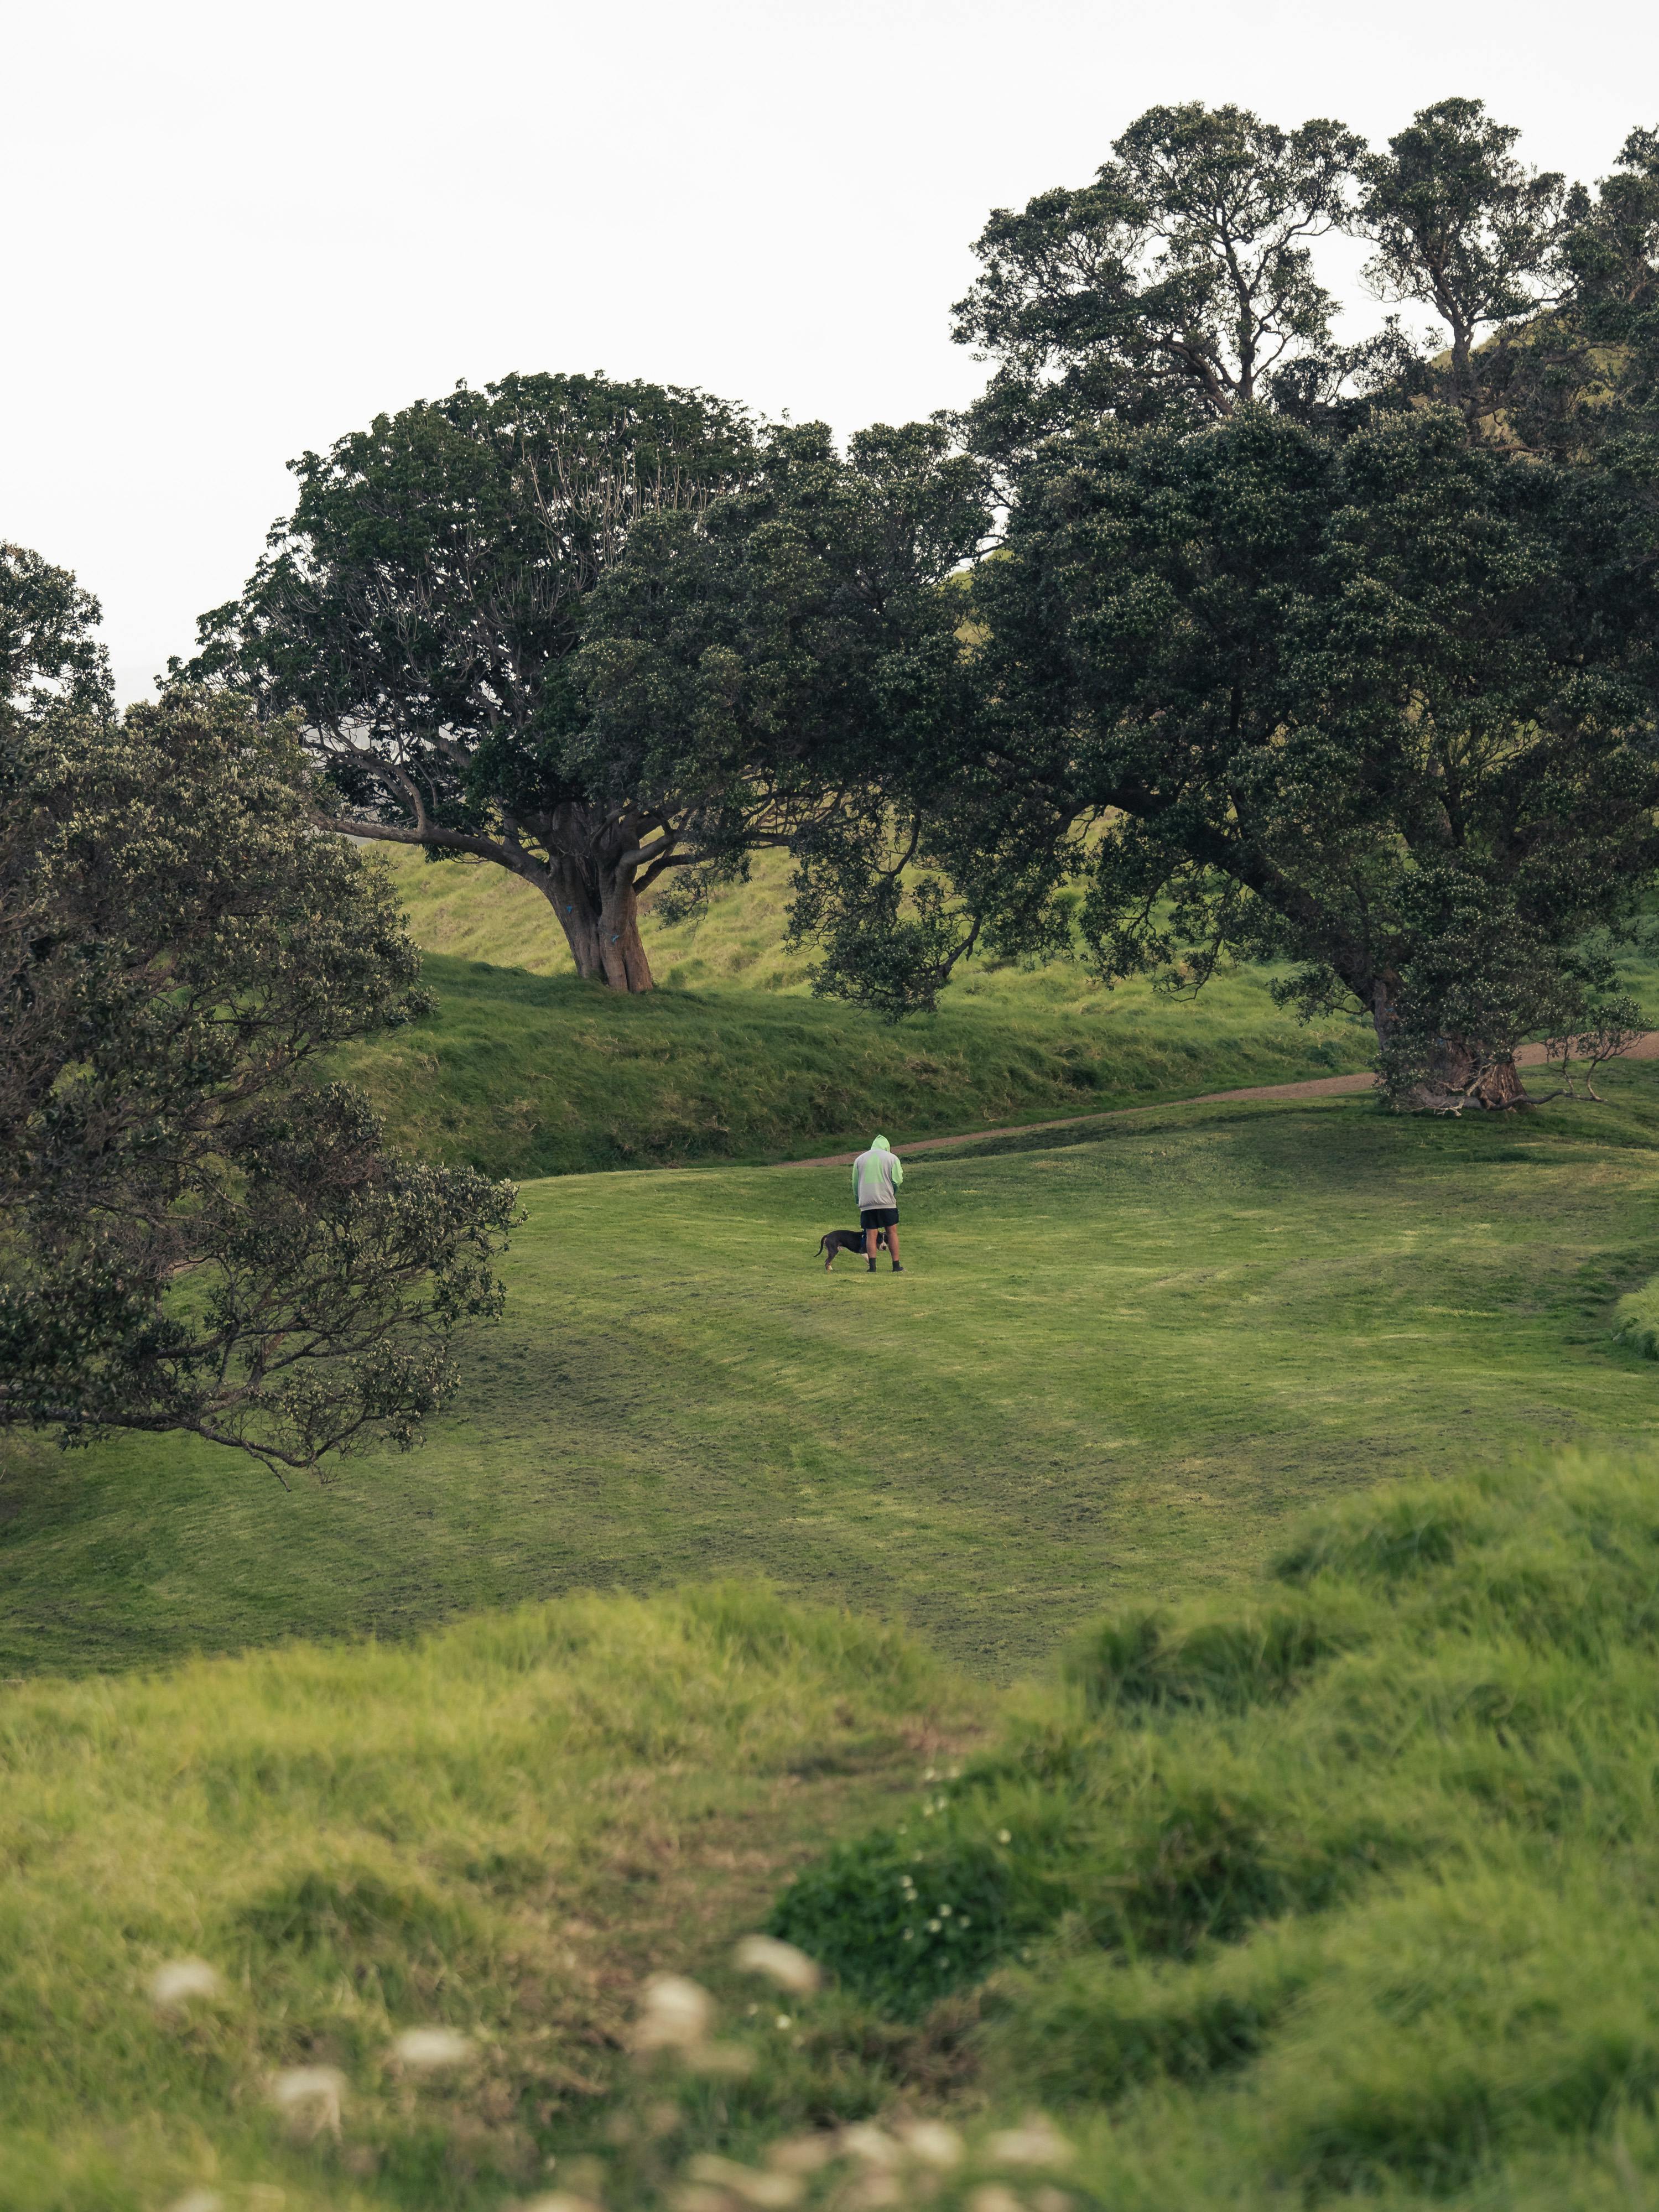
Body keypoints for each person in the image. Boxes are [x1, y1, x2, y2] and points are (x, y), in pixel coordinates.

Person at [852, 1133, 904, 1273]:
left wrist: (858, 1200)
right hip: (886, 1201)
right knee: (892, 1232)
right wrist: (893, 1191)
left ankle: (873, 1268)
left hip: (867, 1202)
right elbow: (897, 1180)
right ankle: (896, 1266)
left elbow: (855, 1183)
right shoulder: (892, 1158)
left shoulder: (860, 1159)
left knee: (871, 1234)